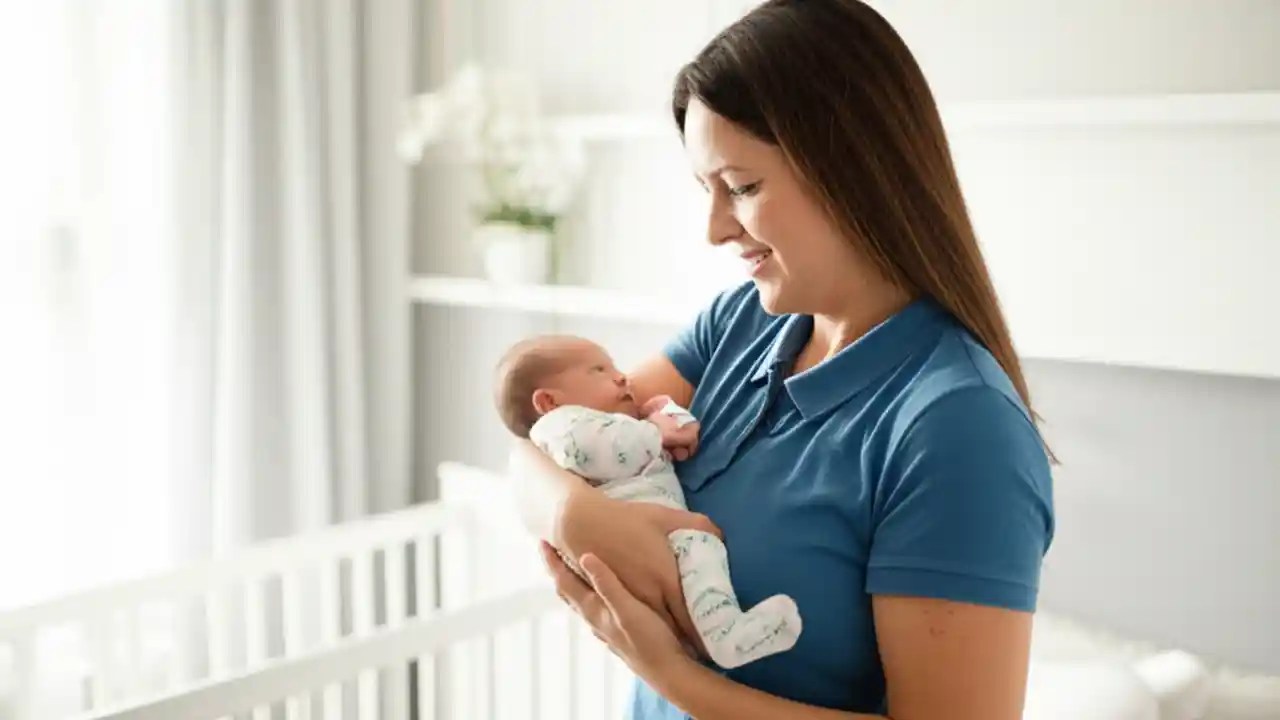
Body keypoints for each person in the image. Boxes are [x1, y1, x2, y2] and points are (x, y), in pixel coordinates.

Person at [510, 1, 1055, 718]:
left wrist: (672, 674)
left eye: (741, 186)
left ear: (853, 166)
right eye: (706, 190)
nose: (713, 229)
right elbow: (536, 437)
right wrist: (580, 520)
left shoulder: (958, 428)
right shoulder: (740, 325)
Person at [493, 334, 803, 669]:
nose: (621, 376)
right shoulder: (562, 427)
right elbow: (602, 451)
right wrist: (655, 432)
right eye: (598, 369)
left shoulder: (614, 423)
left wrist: (667, 418)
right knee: (699, 558)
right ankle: (723, 633)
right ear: (549, 402)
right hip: (638, 536)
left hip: (665, 532)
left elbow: (673, 435)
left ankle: (723, 632)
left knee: (701, 558)